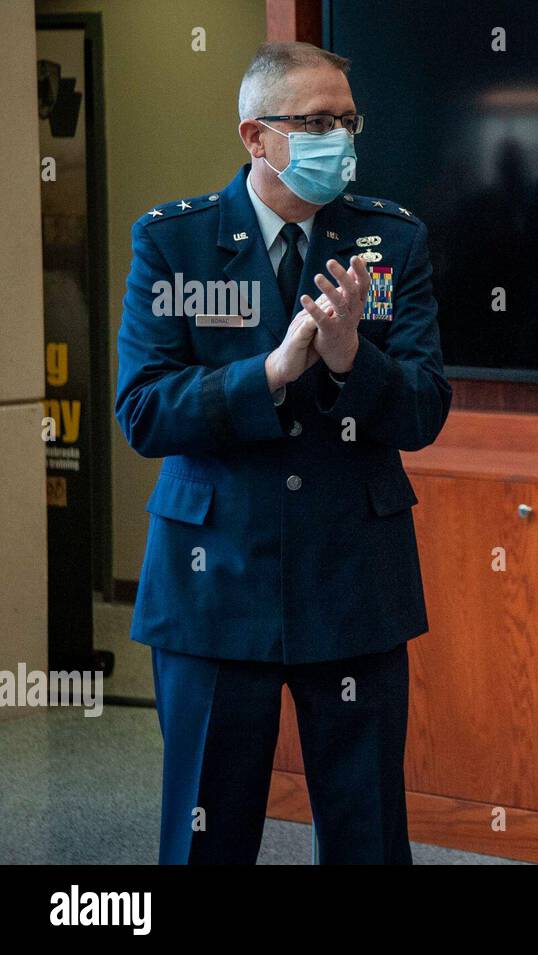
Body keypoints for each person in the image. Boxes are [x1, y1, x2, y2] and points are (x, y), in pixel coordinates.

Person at [115, 41, 452, 864]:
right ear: (255, 136)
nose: (337, 135)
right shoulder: (175, 243)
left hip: (352, 579)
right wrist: (266, 374)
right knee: (206, 830)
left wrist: (350, 361)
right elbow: (145, 410)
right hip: (213, 580)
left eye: (346, 119)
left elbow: (423, 409)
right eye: (314, 121)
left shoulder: (390, 241)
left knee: (366, 830)